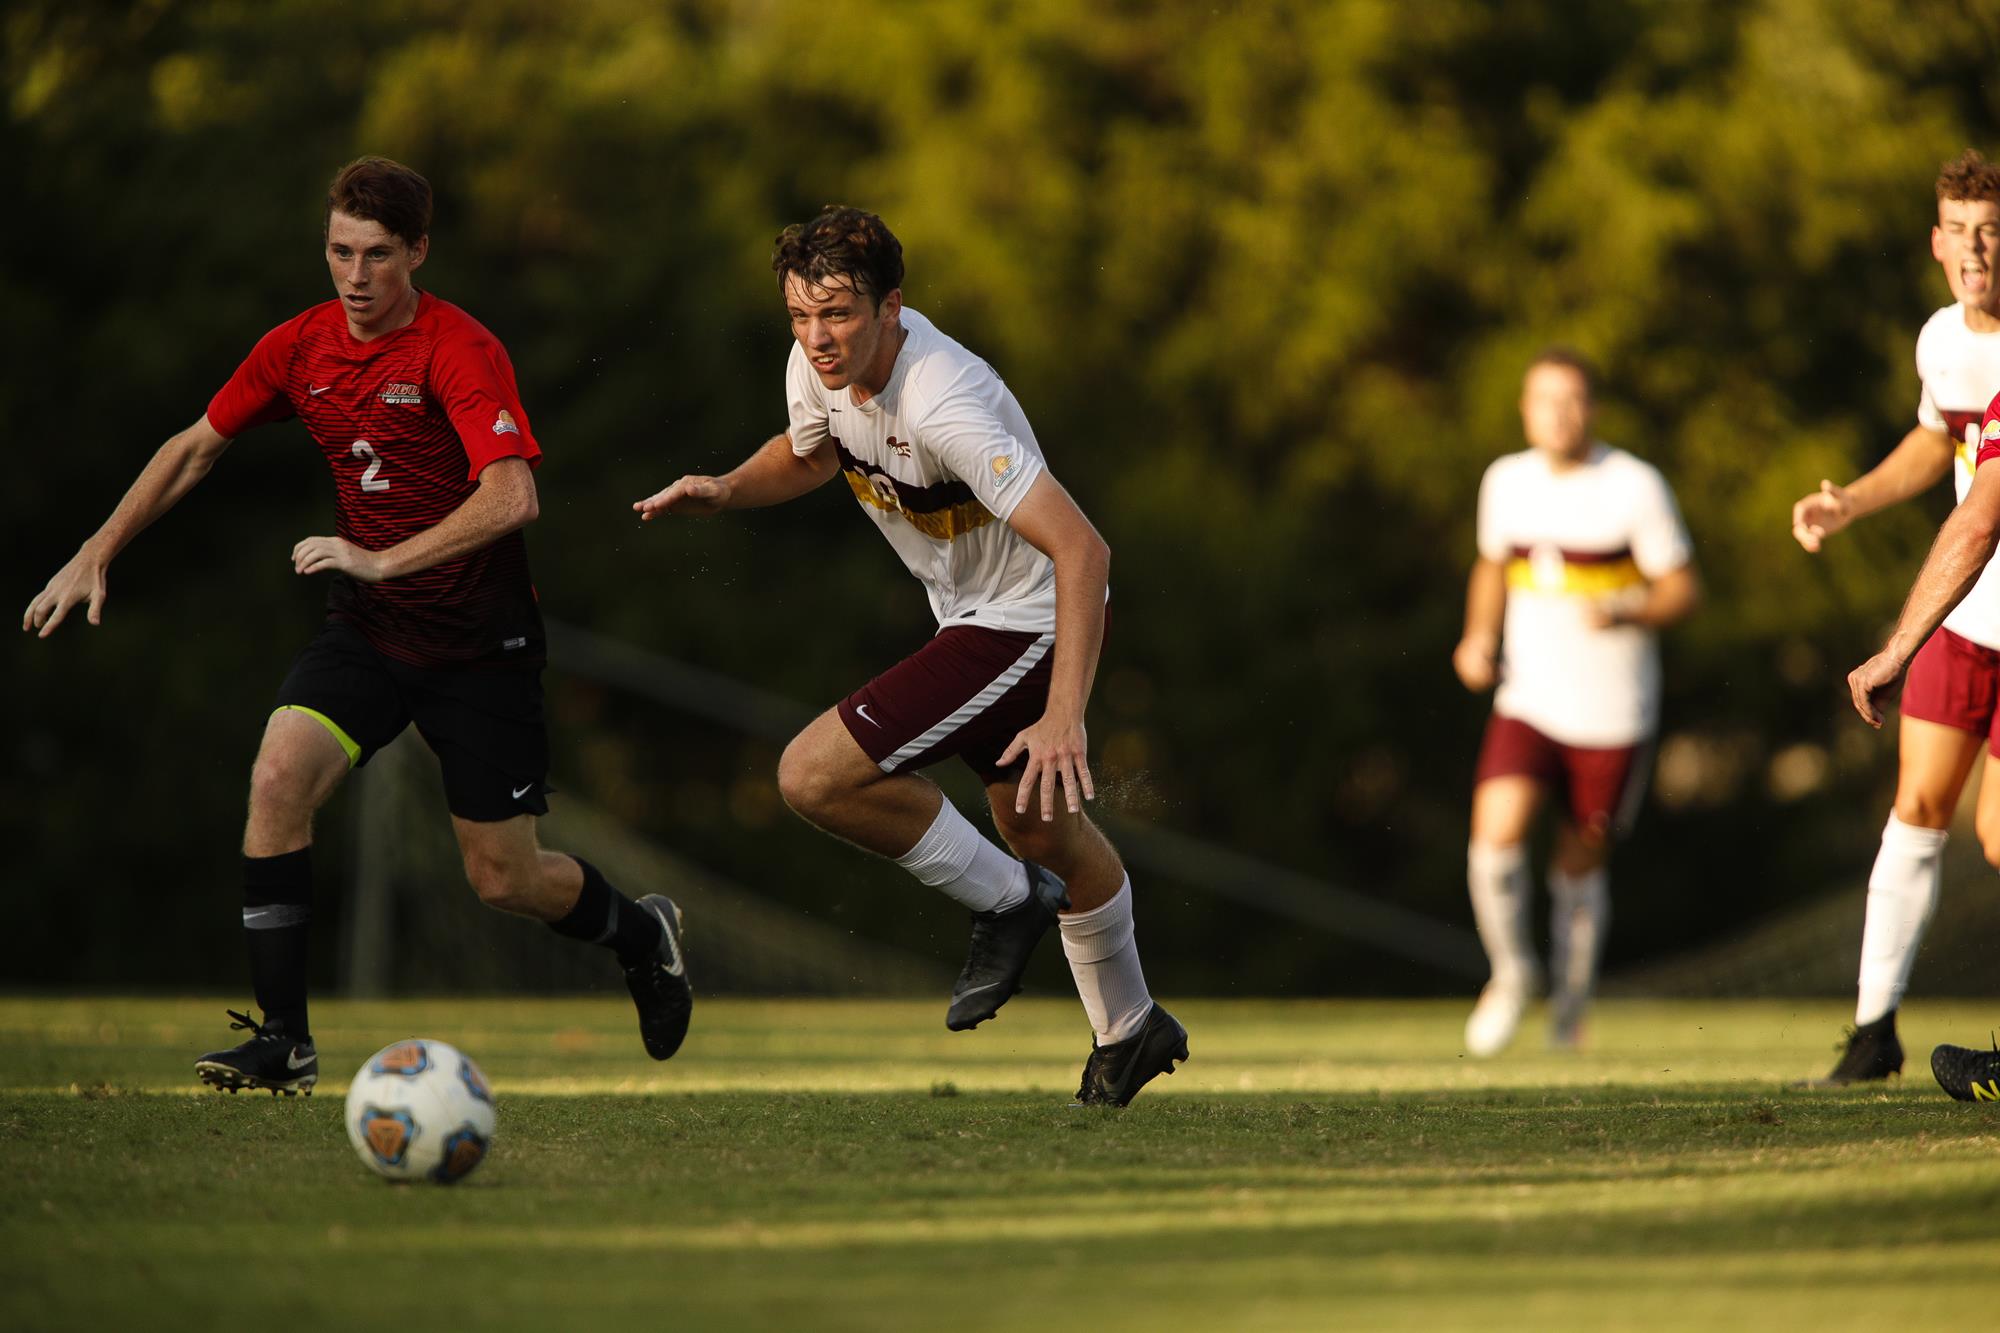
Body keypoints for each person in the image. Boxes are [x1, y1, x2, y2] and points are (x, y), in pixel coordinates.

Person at [22, 157, 691, 1095]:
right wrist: (98, 548)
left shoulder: (458, 350)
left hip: (477, 647)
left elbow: (513, 494)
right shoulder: (298, 346)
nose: (355, 275)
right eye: (340, 251)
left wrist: (381, 555)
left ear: (418, 251)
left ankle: (640, 932)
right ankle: (285, 1043)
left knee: (502, 879)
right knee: (276, 777)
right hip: (370, 632)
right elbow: (195, 450)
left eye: (378, 254)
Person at [634, 206, 1186, 1106]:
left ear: (894, 306)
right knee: (1041, 829)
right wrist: (729, 489)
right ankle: (1130, 1029)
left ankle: (1008, 900)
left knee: (814, 775)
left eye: (840, 314)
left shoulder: (943, 399)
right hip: (974, 617)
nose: (817, 338)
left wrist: (1064, 716)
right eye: (801, 317)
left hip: (1031, 619)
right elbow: (812, 454)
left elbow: (1085, 550)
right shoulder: (818, 368)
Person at [1793, 150, 2000, 1086]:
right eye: (1960, 229)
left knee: (1997, 835)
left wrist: (1893, 644)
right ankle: (1873, 1031)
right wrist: (1853, 504)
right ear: (1935, 242)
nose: (1977, 247)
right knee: (1916, 807)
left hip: (1950, 603)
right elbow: (1938, 442)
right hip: (1966, 617)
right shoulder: (1944, 343)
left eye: (1992, 228)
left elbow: (1982, 510)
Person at [1452, 349, 1699, 1056]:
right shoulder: (1506, 480)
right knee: (1493, 842)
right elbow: (1492, 565)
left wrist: (1627, 610)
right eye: (1544, 400)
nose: (1559, 414)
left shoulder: (1634, 487)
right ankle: (1511, 973)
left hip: (1614, 710)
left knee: (1577, 866)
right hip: (1528, 697)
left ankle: (1571, 1007)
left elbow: (1683, 588)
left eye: (1573, 400)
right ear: (1525, 410)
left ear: (1592, 407)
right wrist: (1477, 636)